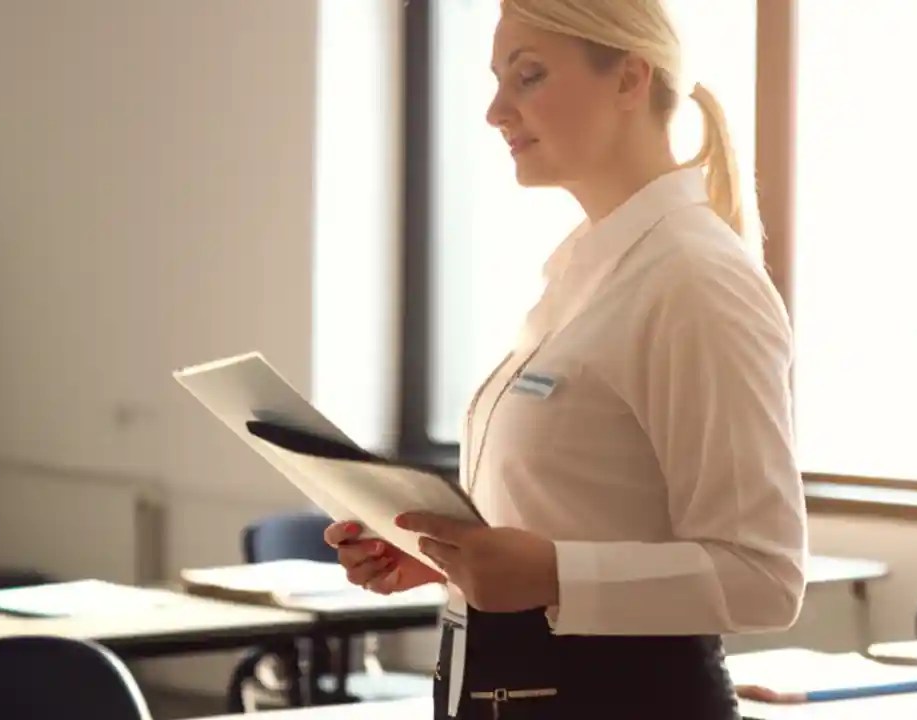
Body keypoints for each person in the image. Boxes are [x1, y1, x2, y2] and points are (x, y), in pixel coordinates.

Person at [324, 1, 806, 717]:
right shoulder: (585, 265)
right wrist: (446, 561)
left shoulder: (696, 278)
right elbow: (576, 512)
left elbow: (764, 575)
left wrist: (551, 573)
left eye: (529, 76)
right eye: (497, 80)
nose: (495, 110)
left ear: (629, 79)